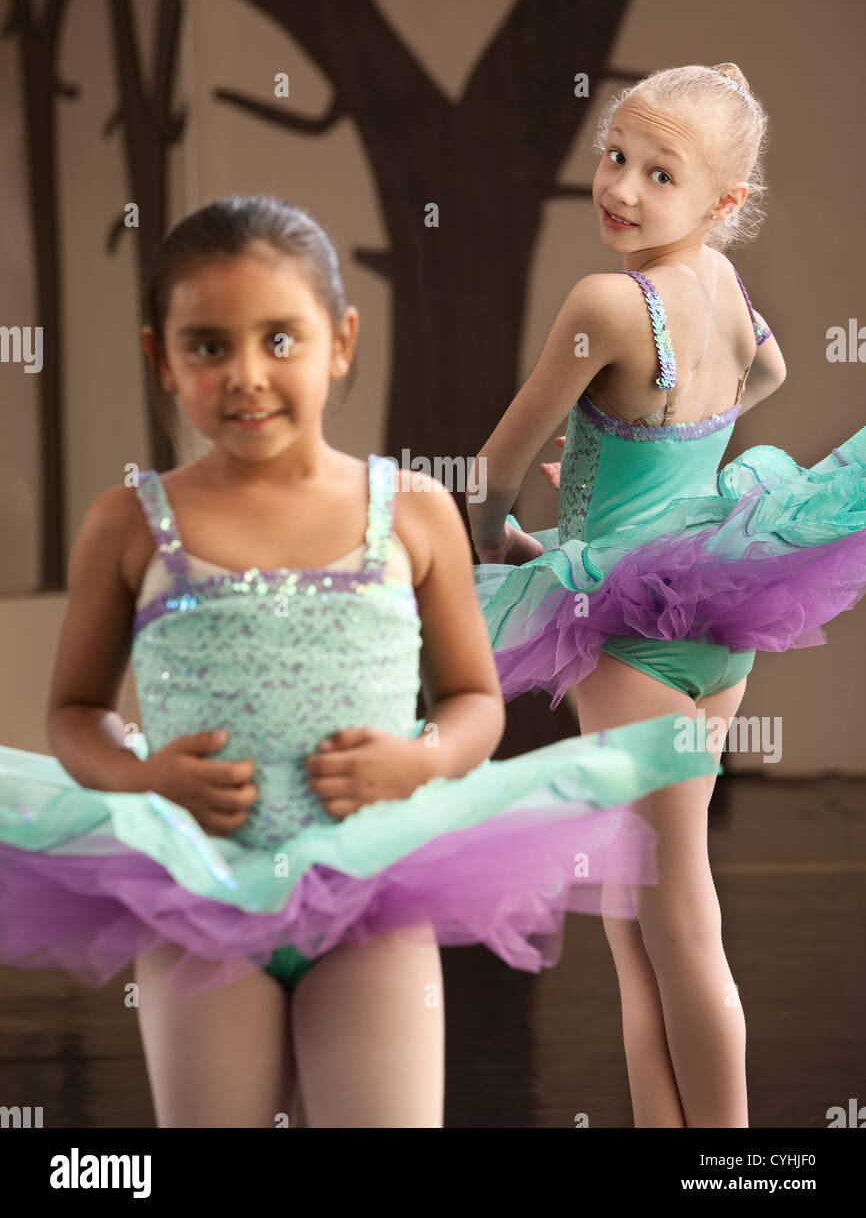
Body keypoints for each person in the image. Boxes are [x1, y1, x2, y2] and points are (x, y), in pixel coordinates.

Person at [0, 195, 718, 1129]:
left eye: (281, 340)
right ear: (160, 358)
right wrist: (144, 775)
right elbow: (72, 715)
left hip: (372, 889)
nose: (248, 374)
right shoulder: (130, 523)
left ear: (340, 341)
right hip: (200, 892)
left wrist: (417, 762)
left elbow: (472, 702)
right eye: (209, 346)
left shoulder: (410, 511)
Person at [468, 62, 866, 1129]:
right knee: (638, 923)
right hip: (714, 614)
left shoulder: (608, 300)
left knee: (677, 919)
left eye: (658, 173)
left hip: (624, 631)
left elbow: (494, 464)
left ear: (722, 204)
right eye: (613, 158)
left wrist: (509, 543)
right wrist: (649, 463)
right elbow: (760, 380)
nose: (623, 189)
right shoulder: (721, 288)